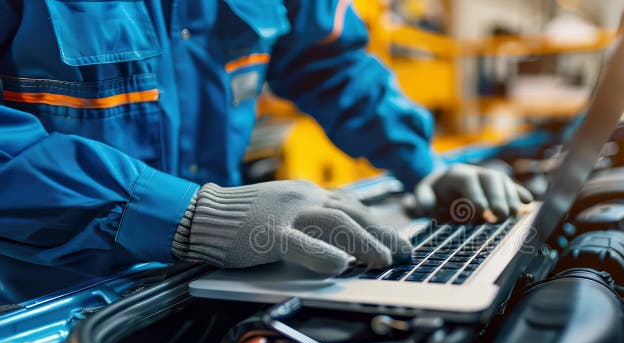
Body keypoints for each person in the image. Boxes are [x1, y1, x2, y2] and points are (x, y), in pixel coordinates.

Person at [0, 0, 531, 302]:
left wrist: (423, 166)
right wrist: (189, 214)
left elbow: (329, 60)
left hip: (213, 281)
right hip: (40, 305)